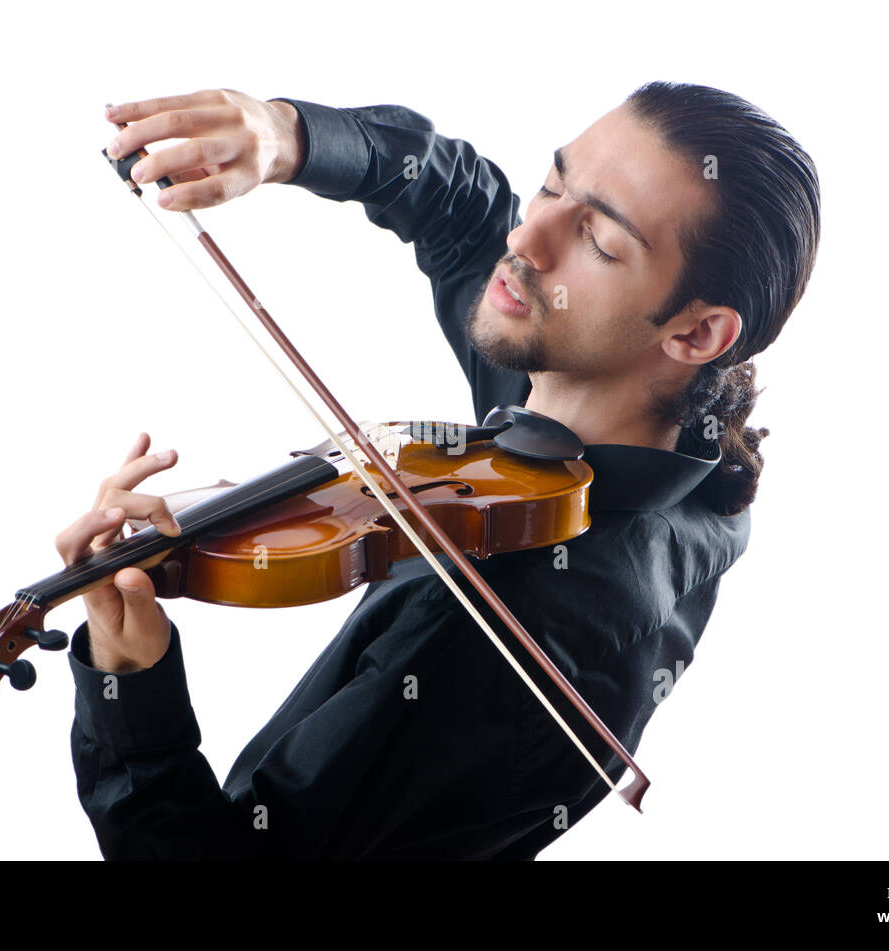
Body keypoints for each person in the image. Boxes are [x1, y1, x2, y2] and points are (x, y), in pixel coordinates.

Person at [56, 83, 820, 859]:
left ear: (696, 332)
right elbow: (460, 210)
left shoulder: (489, 635)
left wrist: (130, 681)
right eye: (553, 183)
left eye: (597, 240)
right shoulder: (666, 441)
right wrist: (289, 137)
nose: (529, 239)